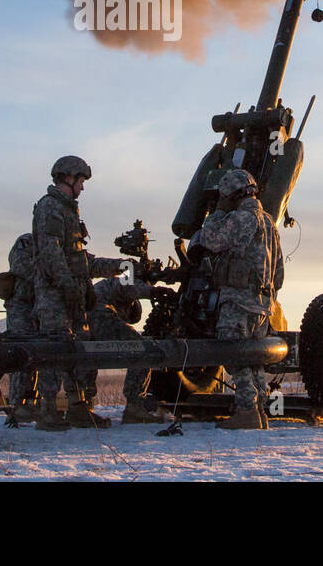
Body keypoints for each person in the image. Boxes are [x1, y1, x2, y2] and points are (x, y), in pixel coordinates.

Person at [30, 155, 122, 431]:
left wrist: (85, 287)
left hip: (73, 295)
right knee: (54, 351)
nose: (82, 188)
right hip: (54, 295)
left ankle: (79, 407)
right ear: (68, 178)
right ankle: (47, 410)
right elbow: (51, 252)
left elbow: (77, 256)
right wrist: (68, 285)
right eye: (81, 181)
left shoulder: (68, 211)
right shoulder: (50, 208)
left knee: (79, 351)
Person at [187, 168, 283, 430]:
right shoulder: (269, 222)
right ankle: (259, 411)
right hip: (263, 304)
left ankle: (246, 411)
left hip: (238, 300)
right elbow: (280, 272)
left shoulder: (243, 218)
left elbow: (211, 240)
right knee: (254, 358)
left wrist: (215, 215)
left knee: (233, 354)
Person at [88, 276, 167, 424]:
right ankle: (135, 406)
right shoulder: (119, 284)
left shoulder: (104, 289)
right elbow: (130, 286)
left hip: (82, 320)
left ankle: (82, 406)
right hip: (99, 315)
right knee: (143, 349)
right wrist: (153, 291)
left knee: (87, 357)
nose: (124, 322)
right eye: (127, 318)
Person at [0, 232, 40, 423]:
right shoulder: (27, 241)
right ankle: (17, 406)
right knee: (21, 355)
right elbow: (21, 266)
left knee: (42, 356)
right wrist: (50, 277)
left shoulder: (57, 246)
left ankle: (33, 402)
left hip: (41, 306)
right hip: (21, 306)